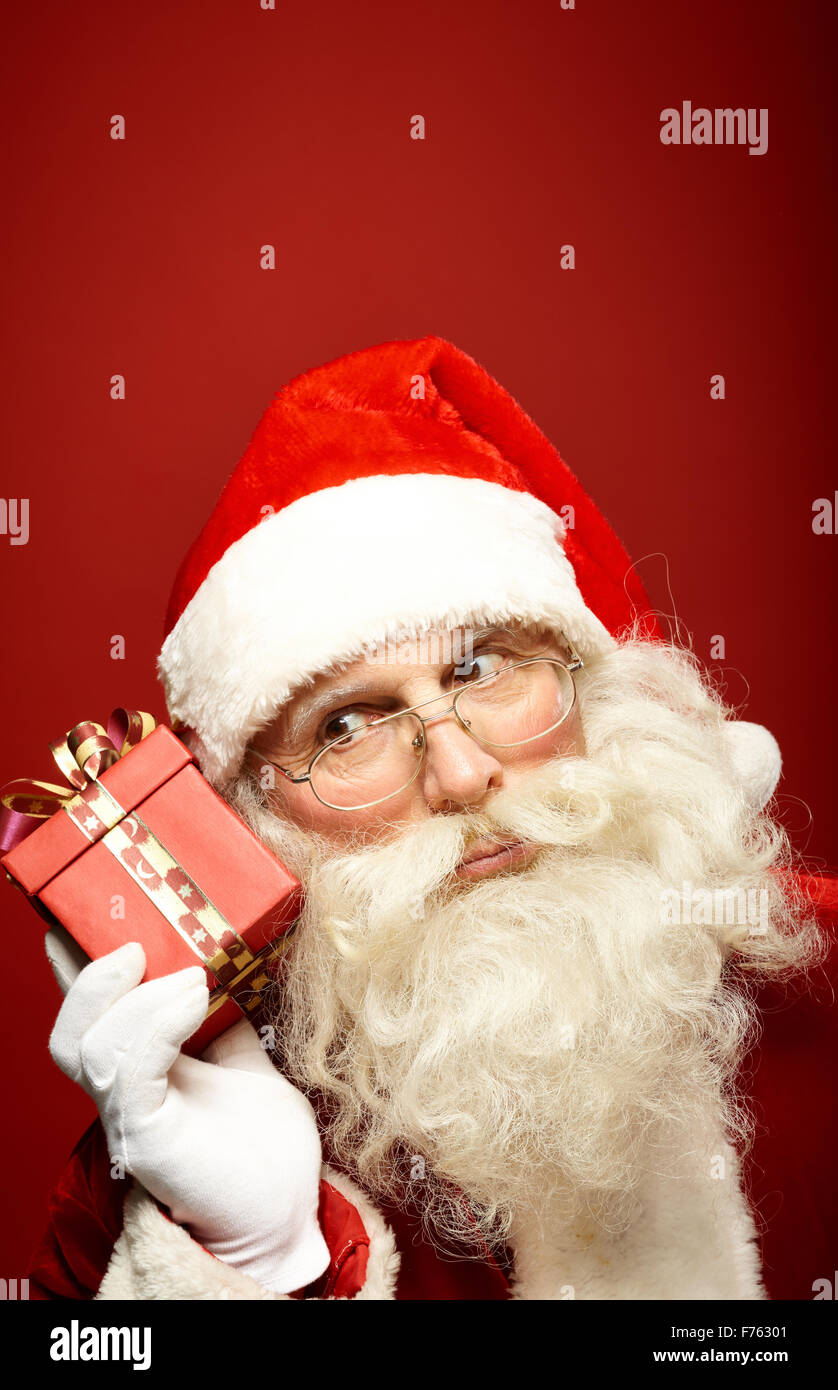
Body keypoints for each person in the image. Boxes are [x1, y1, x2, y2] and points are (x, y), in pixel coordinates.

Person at [26, 337, 838, 1300]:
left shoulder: (820, 973)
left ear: (592, 684)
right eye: (349, 725)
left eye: (484, 668)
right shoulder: (182, 1154)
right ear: (254, 819)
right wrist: (256, 1257)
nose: (460, 773)